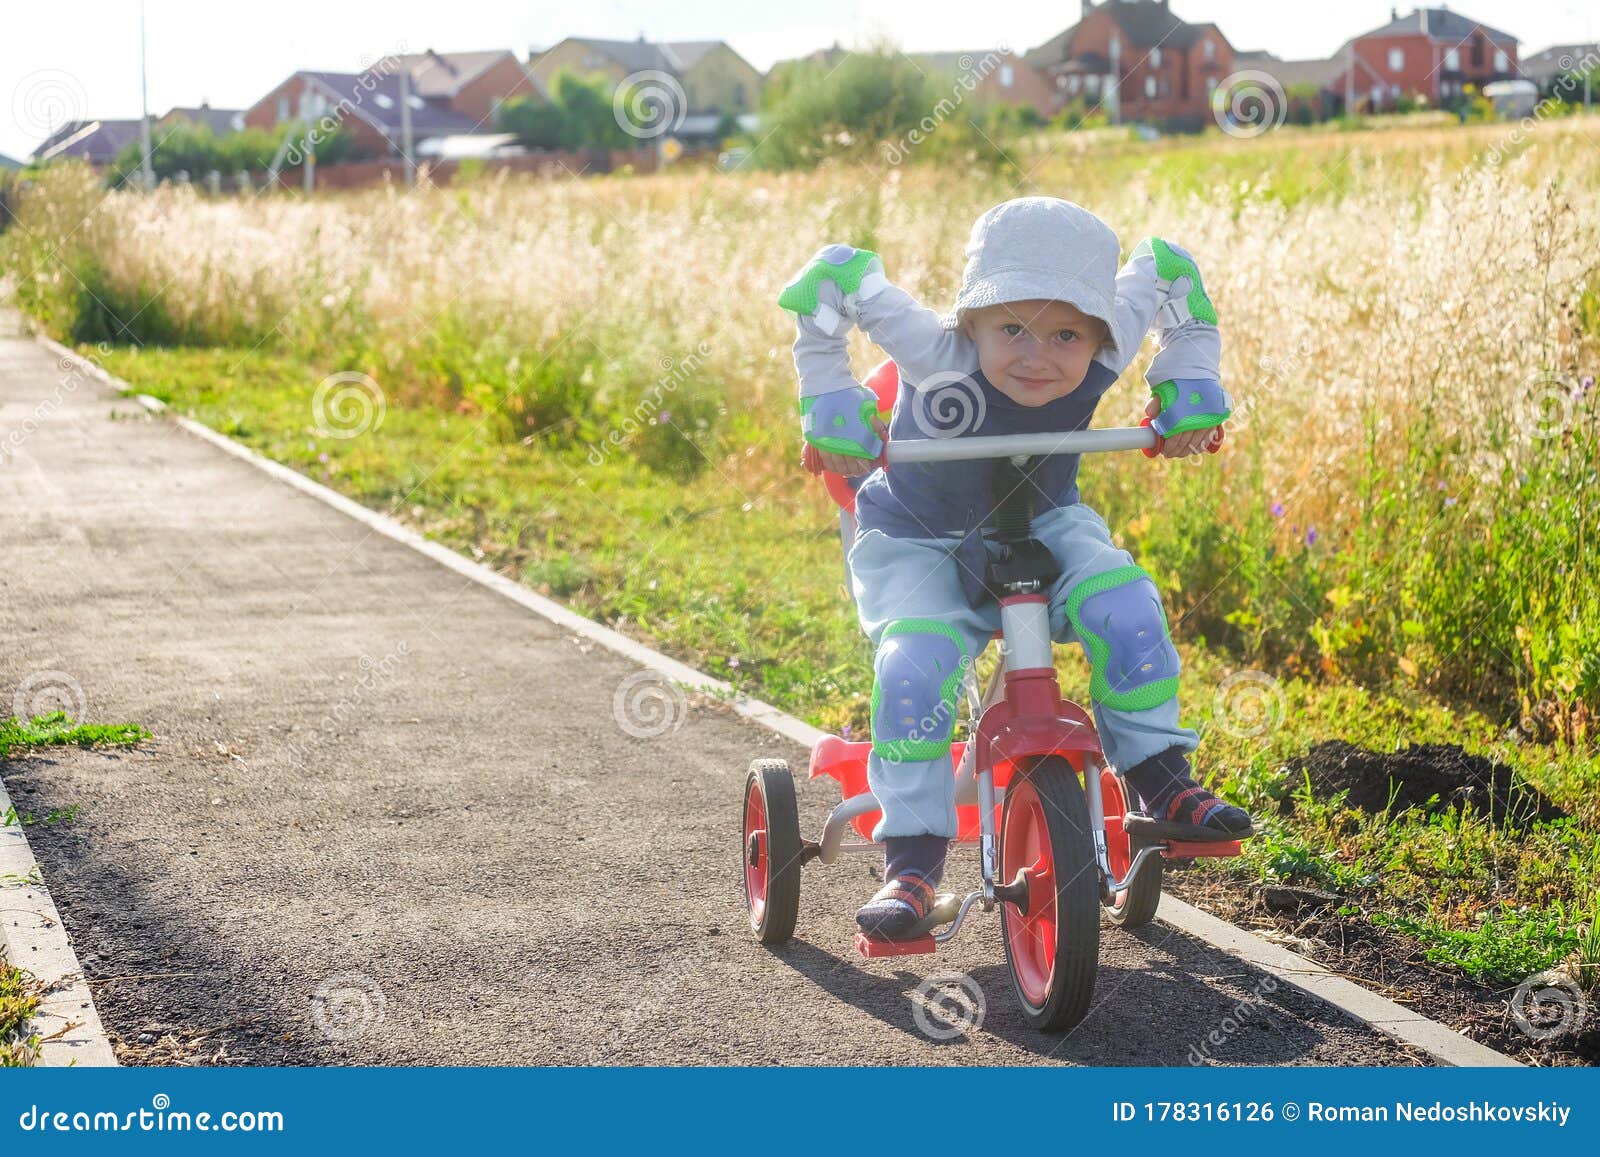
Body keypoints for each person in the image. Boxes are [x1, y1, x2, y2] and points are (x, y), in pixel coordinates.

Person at [779, 196, 1253, 940]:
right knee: (914, 668)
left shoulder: (1105, 346)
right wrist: (831, 404)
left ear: (1098, 332)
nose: (1038, 355)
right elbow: (830, 281)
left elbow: (1169, 270)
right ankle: (911, 863)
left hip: (1043, 520)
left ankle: (1160, 779)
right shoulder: (934, 351)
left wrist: (1188, 388)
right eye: (1012, 329)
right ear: (970, 320)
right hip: (920, 537)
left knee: (1125, 606)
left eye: (1066, 333)